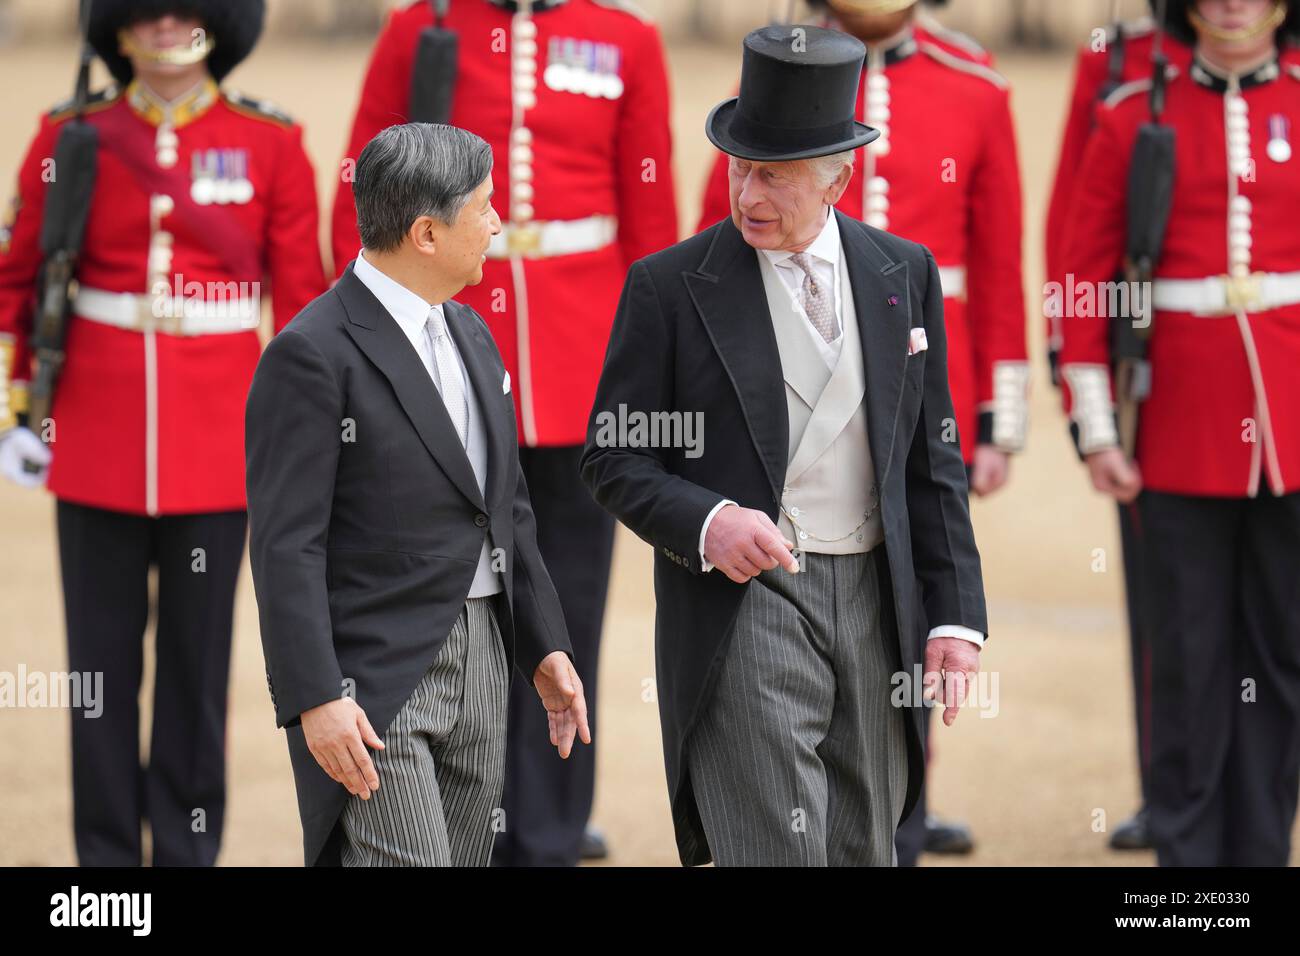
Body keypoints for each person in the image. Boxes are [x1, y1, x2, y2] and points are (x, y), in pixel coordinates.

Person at [582, 25, 987, 867]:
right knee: (772, 849)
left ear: (840, 176)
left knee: (864, 847)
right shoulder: (667, 286)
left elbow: (931, 462)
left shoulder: (903, 273)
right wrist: (708, 523)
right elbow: (613, 457)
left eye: (774, 174)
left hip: (879, 601)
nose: (748, 194)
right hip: (746, 603)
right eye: (740, 167)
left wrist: (954, 616)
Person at [330, 0, 678, 866]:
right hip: (447, 335)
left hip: (578, 349)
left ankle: (550, 830)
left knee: (569, 608)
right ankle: (454, 818)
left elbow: (648, 210)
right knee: (449, 605)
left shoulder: (626, 37)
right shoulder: (419, 29)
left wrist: (655, 363)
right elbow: (363, 187)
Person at [698, 0, 1026, 864]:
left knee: (910, 598)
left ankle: (904, 794)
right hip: (795, 391)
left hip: (912, 381)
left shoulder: (976, 87)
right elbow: (719, 257)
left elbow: (995, 261)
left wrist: (1001, 415)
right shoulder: (768, 93)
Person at [0, 0, 326, 865]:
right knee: (99, 677)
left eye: (188, 9)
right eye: (143, 10)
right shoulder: (69, 135)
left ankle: (187, 855)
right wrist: (16, 407)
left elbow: (301, 316)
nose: (166, 24)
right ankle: (106, 869)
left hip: (219, 447)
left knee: (195, 671)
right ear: (116, 27)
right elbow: (17, 280)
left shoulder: (272, 143)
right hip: (96, 437)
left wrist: (305, 442)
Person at [246, 122, 590, 867]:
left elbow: (507, 511)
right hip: (374, 680)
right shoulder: (309, 354)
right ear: (428, 233)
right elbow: (285, 544)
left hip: (485, 663)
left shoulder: (470, 331)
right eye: (485, 206)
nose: (499, 223)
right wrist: (315, 697)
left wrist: (546, 642)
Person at [1058, 0, 1300, 866]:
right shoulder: (1131, 113)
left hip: (1292, 431)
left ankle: (1262, 856)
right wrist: (1096, 428)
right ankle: (1190, 884)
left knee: (1281, 659)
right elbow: (1082, 279)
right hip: (1177, 430)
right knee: (1187, 668)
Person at [1044, 2, 1193, 854]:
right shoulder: (1115, 66)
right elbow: (1077, 231)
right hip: (1158, 380)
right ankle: (1171, 788)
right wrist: (1086, 391)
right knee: (1167, 614)